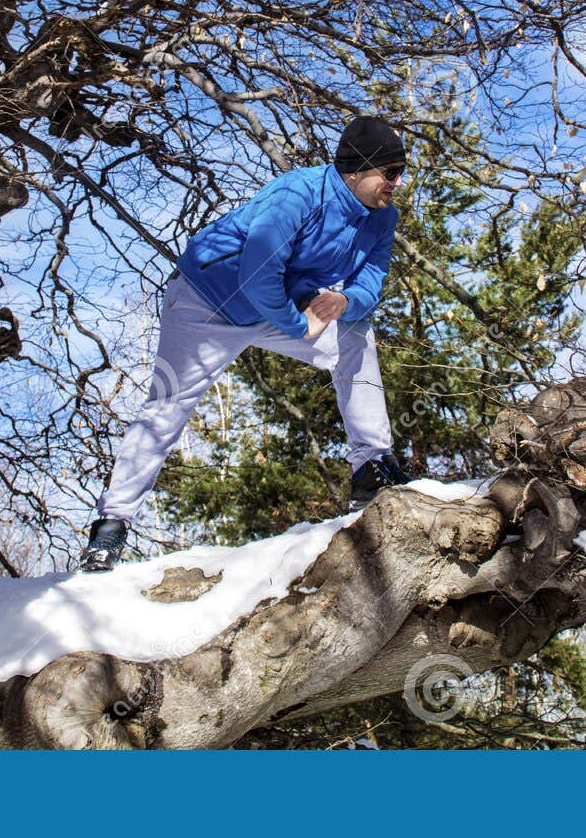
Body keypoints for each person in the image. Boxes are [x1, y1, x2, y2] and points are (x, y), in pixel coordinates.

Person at [80, 116, 414, 571]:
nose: (397, 182)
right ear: (355, 170)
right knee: (167, 403)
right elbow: (257, 273)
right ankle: (110, 527)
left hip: (279, 307)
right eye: (389, 172)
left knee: (355, 333)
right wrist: (299, 326)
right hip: (206, 303)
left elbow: (371, 281)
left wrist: (344, 300)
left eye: (402, 172)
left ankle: (371, 468)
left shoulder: (381, 218)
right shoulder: (298, 192)